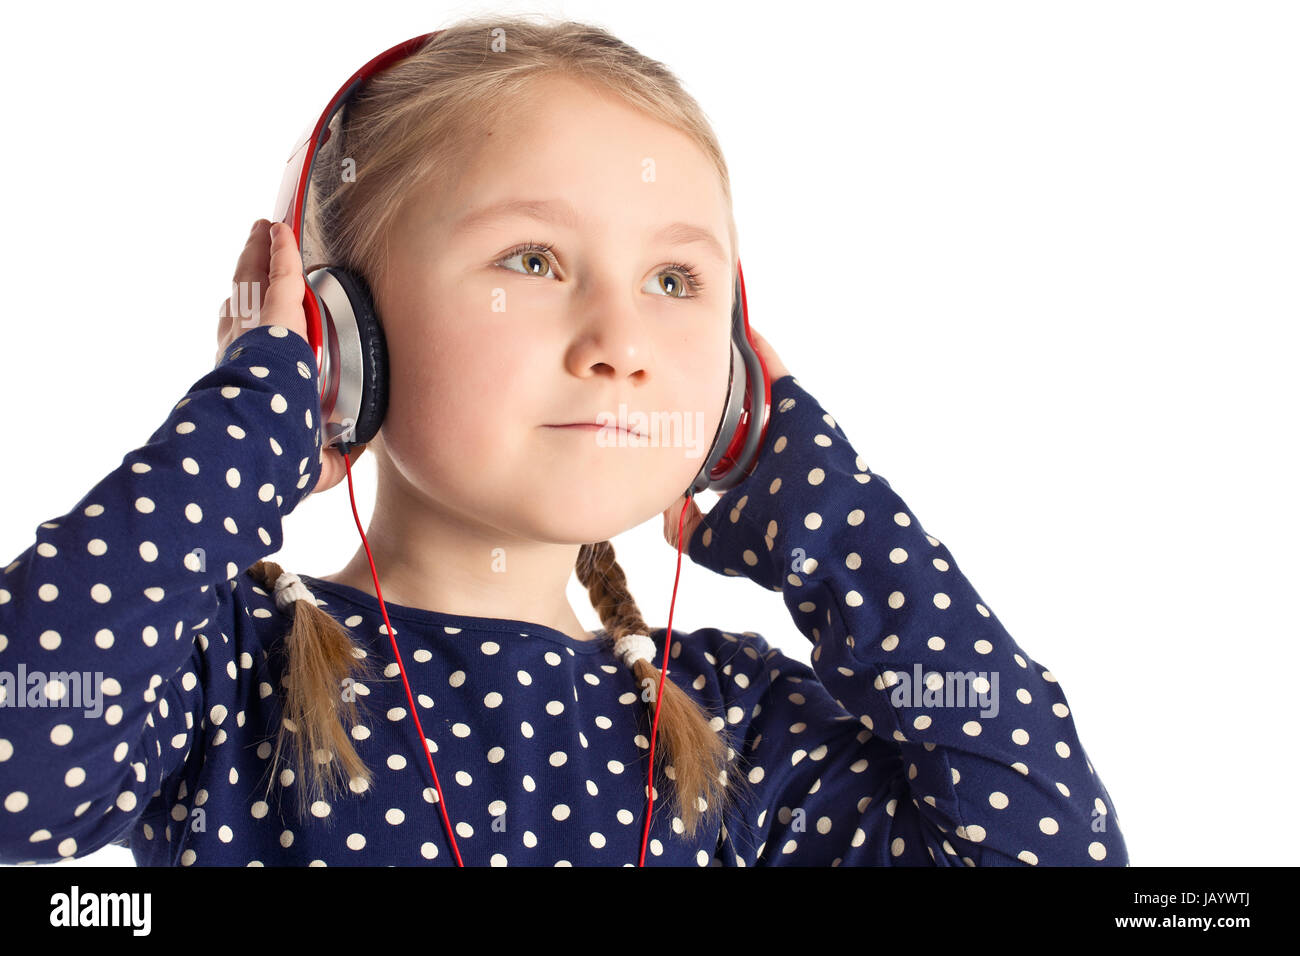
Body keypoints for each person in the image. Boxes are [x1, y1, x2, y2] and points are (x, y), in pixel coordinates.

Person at [0, 16, 1127, 866]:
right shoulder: (223, 668)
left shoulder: (728, 728)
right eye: (533, 260)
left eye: (676, 280)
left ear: (736, 383)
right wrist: (244, 426)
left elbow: (1053, 851)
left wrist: (836, 520)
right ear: (339, 328)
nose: (622, 341)